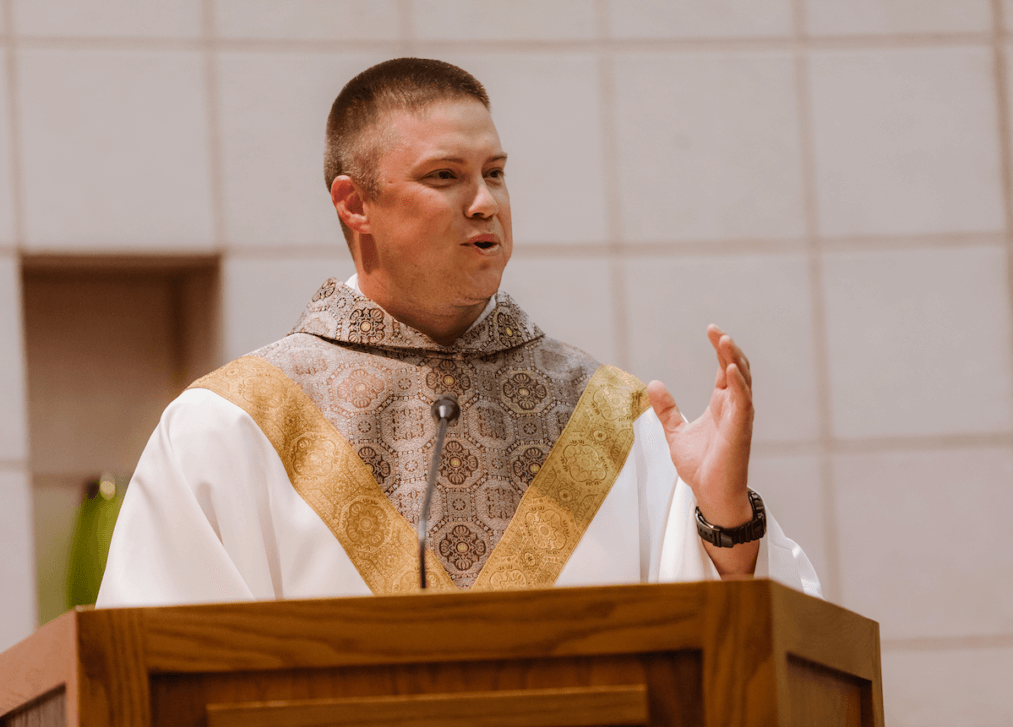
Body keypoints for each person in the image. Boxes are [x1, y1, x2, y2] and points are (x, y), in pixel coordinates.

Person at [96, 58, 820, 606]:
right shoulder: (232, 426)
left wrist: (724, 516)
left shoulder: (614, 420)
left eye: (495, 173)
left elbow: (738, 649)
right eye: (445, 176)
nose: (484, 203)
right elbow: (160, 665)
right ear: (354, 204)